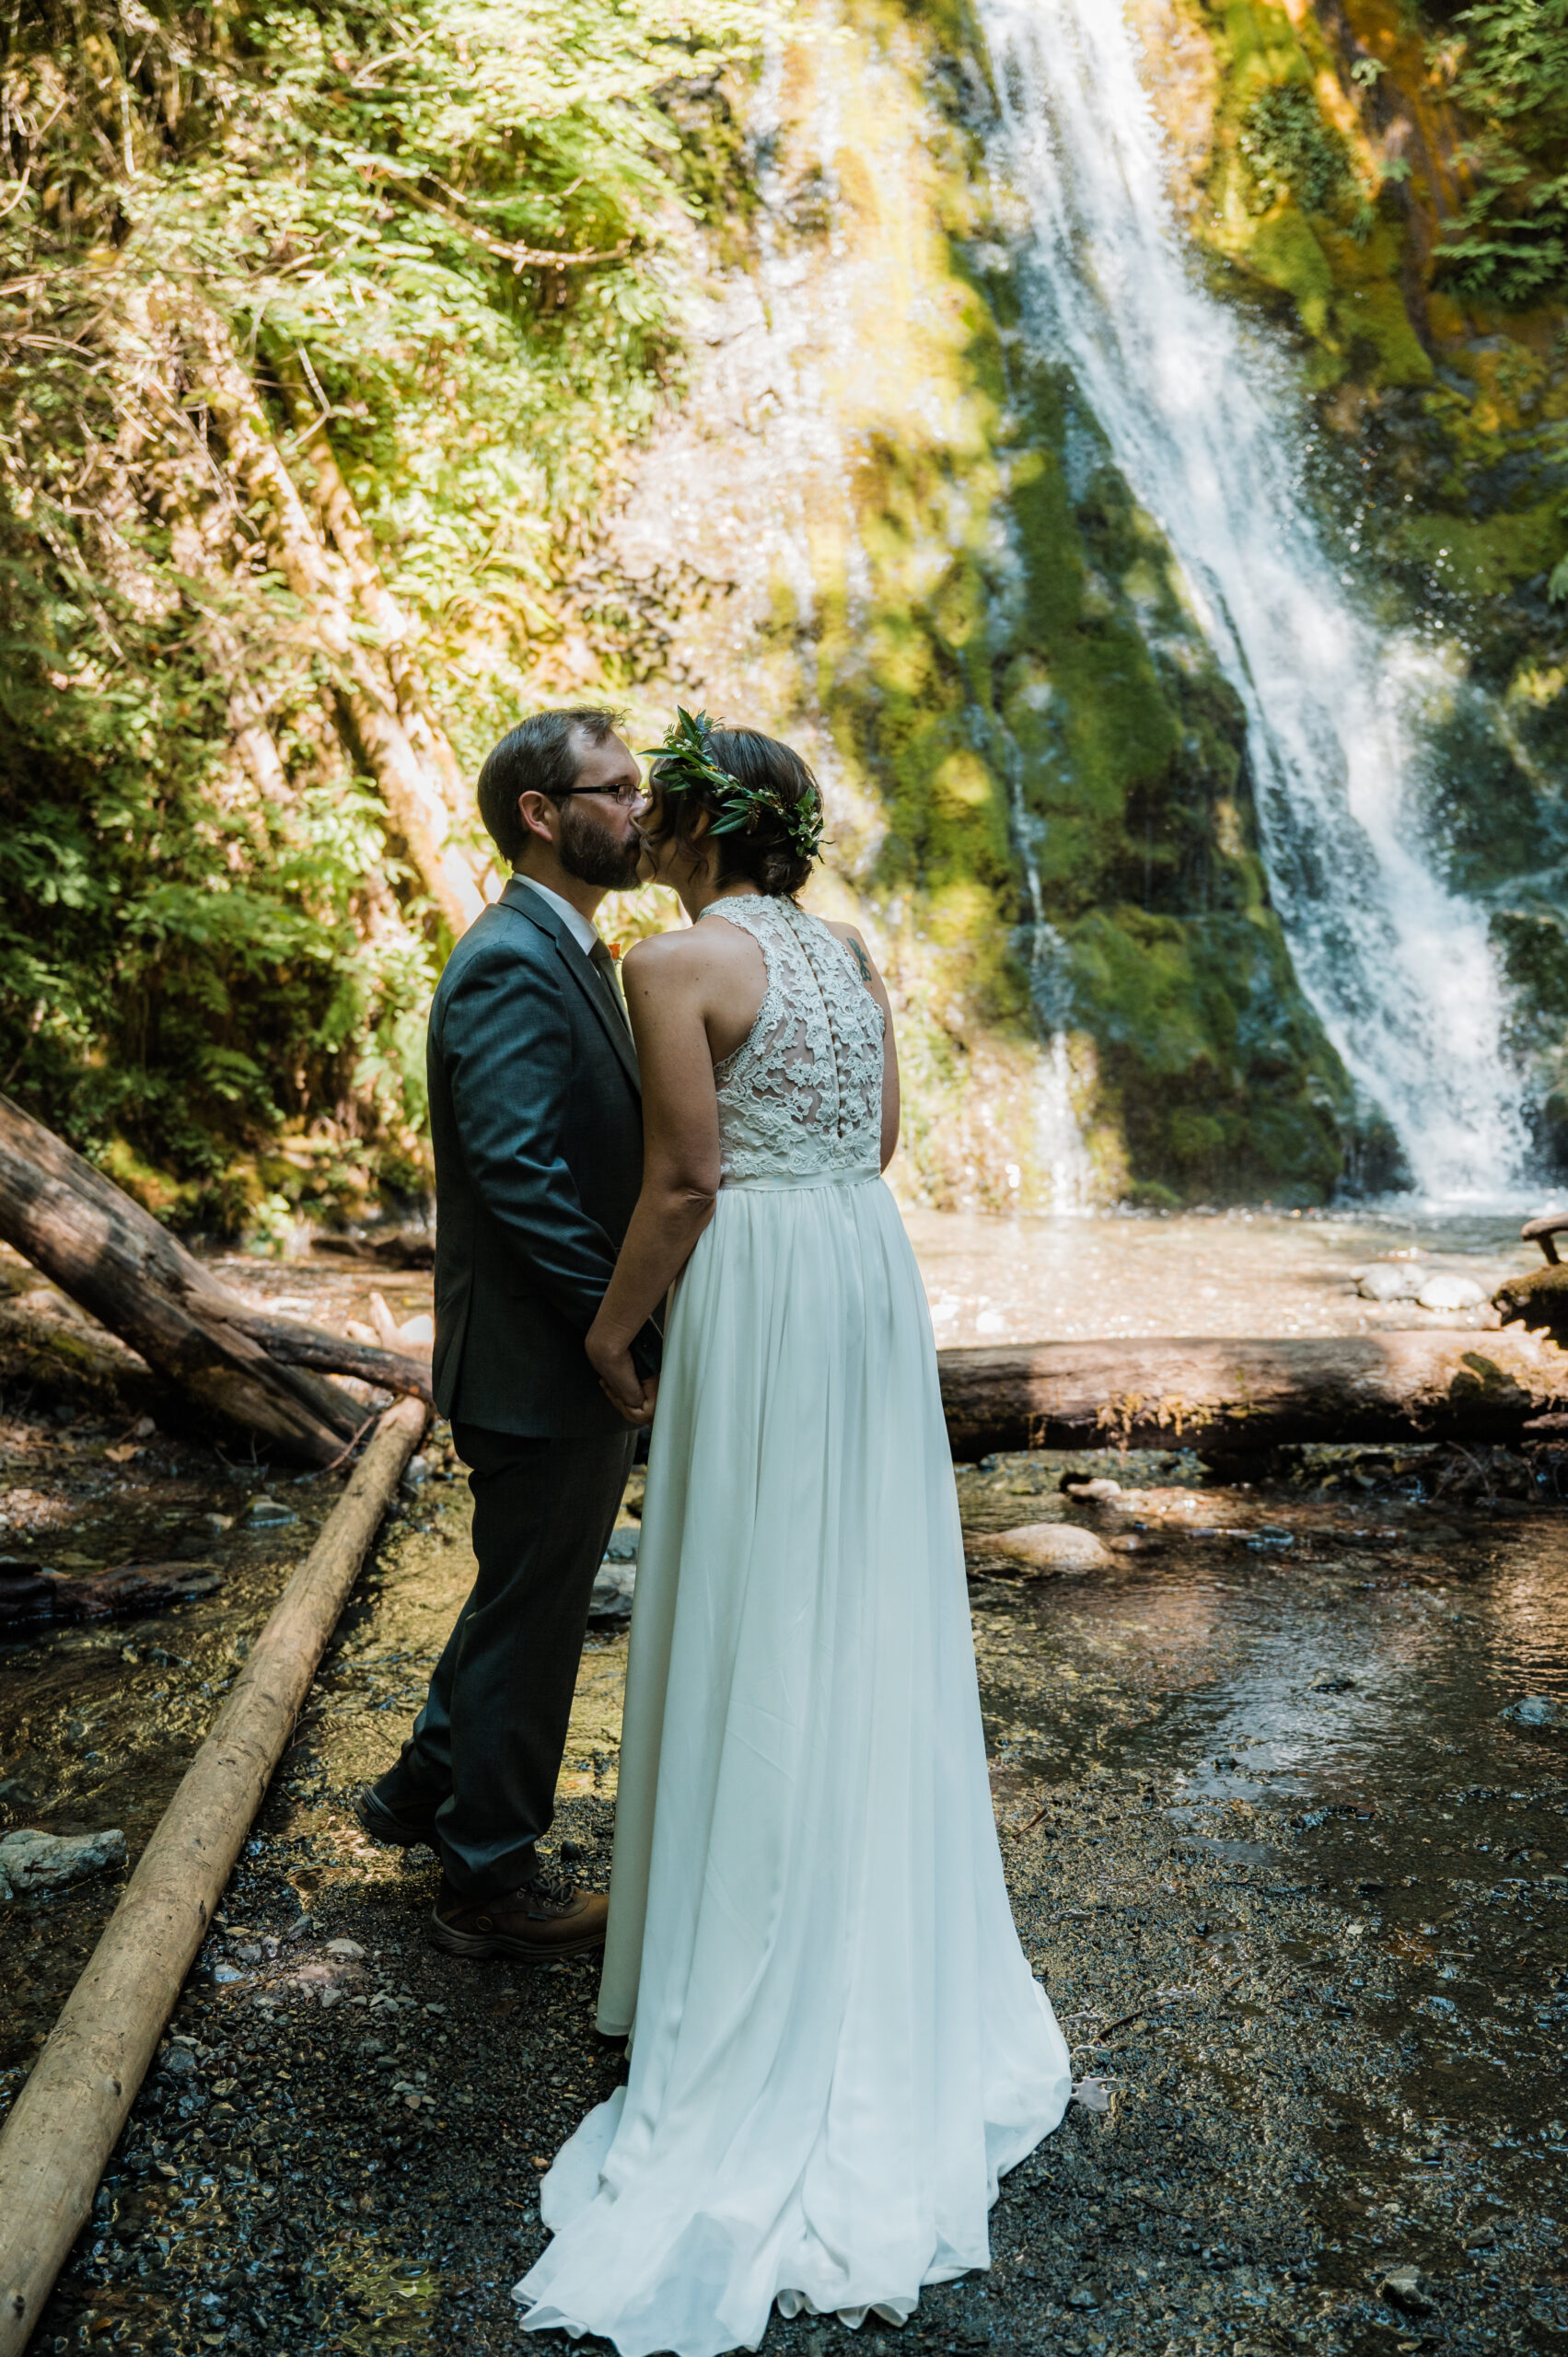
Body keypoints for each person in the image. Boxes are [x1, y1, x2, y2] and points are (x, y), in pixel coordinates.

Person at [513, 713, 1072, 2355]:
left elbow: (685, 1181)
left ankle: (741, 1959)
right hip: (857, 1274)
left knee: (751, 1597)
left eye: (656, 810)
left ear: (690, 827)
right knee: (855, 1606)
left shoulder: (676, 969)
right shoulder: (847, 955)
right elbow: (883, 1144)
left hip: (758, 1277)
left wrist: (616, 1337)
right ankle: (868, 1935)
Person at [354, 706, 659, 1964]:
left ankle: (418, 1797)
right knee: (536, 1620)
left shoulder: (573, 947)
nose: (645, 809)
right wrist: (613, 1329)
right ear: (543, 812)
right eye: (621, 789)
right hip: (543, 1364)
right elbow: (522, 1171)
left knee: (519, 1595)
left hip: (548, 1359)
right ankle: (487, 1882)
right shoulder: (510, 959)